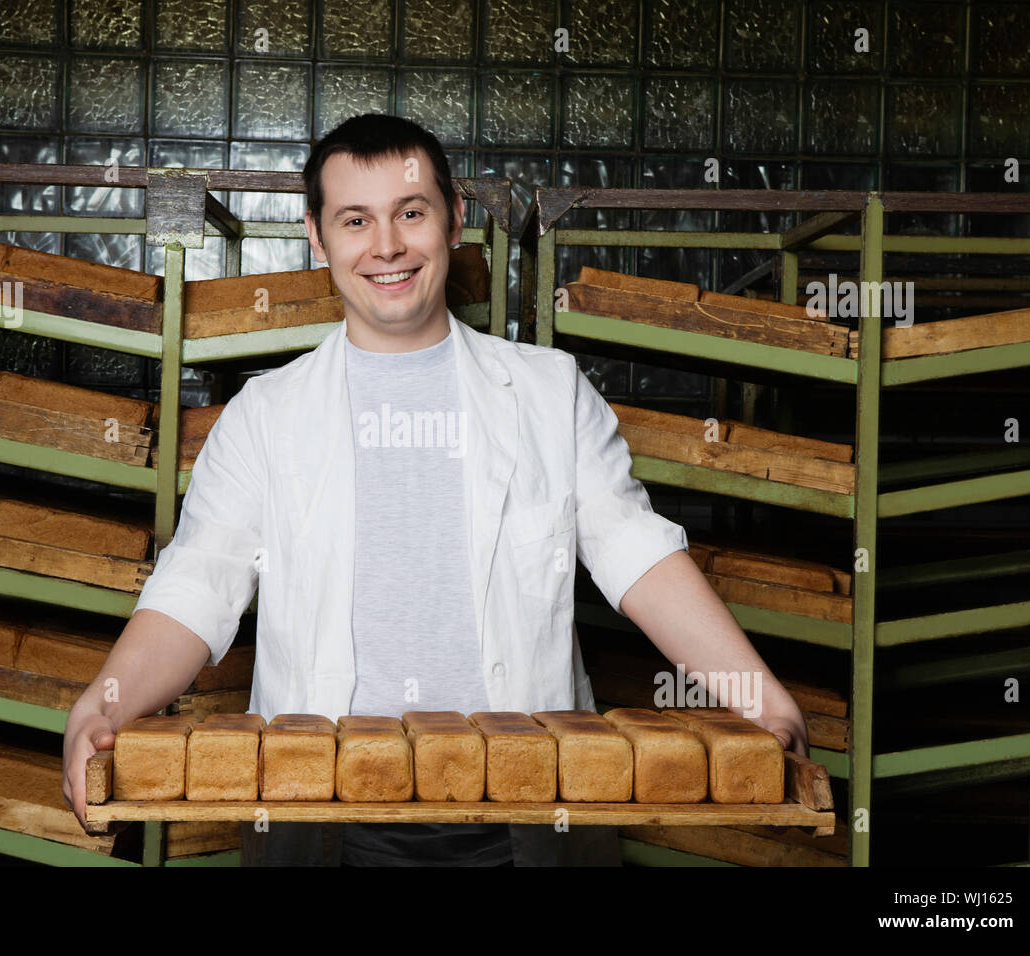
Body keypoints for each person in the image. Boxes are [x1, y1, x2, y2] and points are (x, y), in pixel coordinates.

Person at [61, 113, 809, 866]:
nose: (386, 246)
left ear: (454, 221)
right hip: (322, 818)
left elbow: (636, 555)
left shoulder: (548, 393)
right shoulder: (267, 416)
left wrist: (760, 699)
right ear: (318, 240)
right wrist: (106, 700)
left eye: (410, 213)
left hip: (530, 813)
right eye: (356, 220)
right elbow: (198, 585)